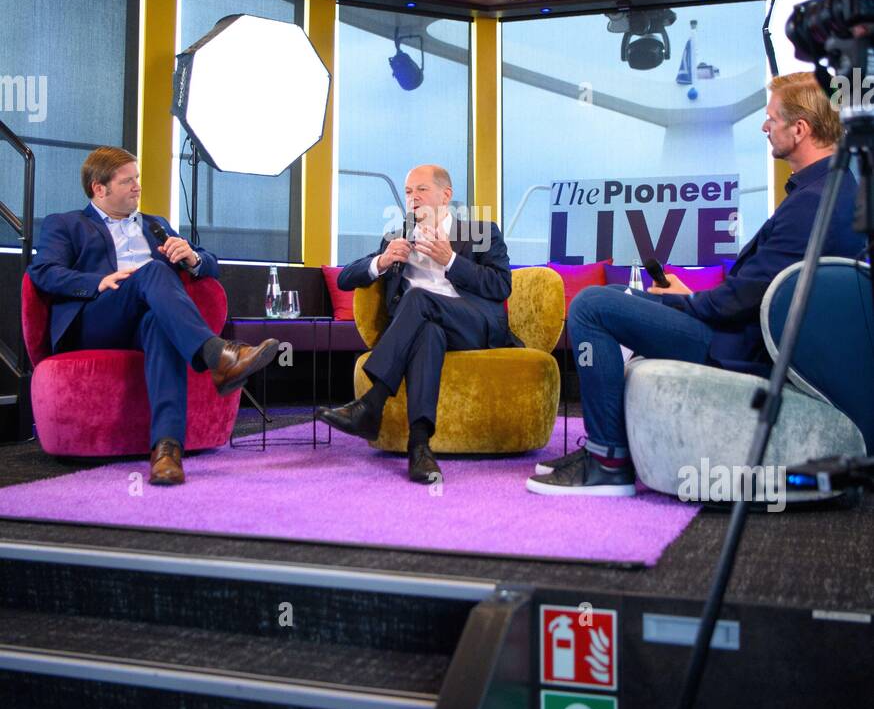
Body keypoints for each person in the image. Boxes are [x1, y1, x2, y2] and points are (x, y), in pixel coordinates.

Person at [527, 72, 865, 497]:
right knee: (612, 295)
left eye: (772, 119)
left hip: (738, 343)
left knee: (592, 304)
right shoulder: (829, 191)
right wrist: (689, 298)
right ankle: (606, 448)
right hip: (736, 329)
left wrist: (690, 305)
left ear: (800, 129)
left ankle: (608, 464)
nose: (764, 127)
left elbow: (756, 293)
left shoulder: (817, 202)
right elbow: (761, 286)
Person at [29, 146, 280, 485]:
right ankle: (217, 354)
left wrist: (192, 257)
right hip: (97, 317)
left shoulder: (155, 224)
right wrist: (96, 281)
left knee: (160, 327)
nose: (137, 187)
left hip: (146, 318)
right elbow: (43, 272)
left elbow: (211, 264)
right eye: (127, 181)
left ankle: (166, 451)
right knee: (152, 273)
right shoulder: (67, 224)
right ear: (98, 189)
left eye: (138, 178)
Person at [317, 164, 521, 484]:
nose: (413, 198)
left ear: (446, 195)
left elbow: (500, 286)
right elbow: (346, 278)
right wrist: (381, 262)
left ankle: (372, 404)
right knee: (428, 332)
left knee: (418, 299)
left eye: (422, 190)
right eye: (409, 192)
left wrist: (451, 260)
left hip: (474, 325)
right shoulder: (396, 237)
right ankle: (420, 447)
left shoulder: (480, 232)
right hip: (427, 327)